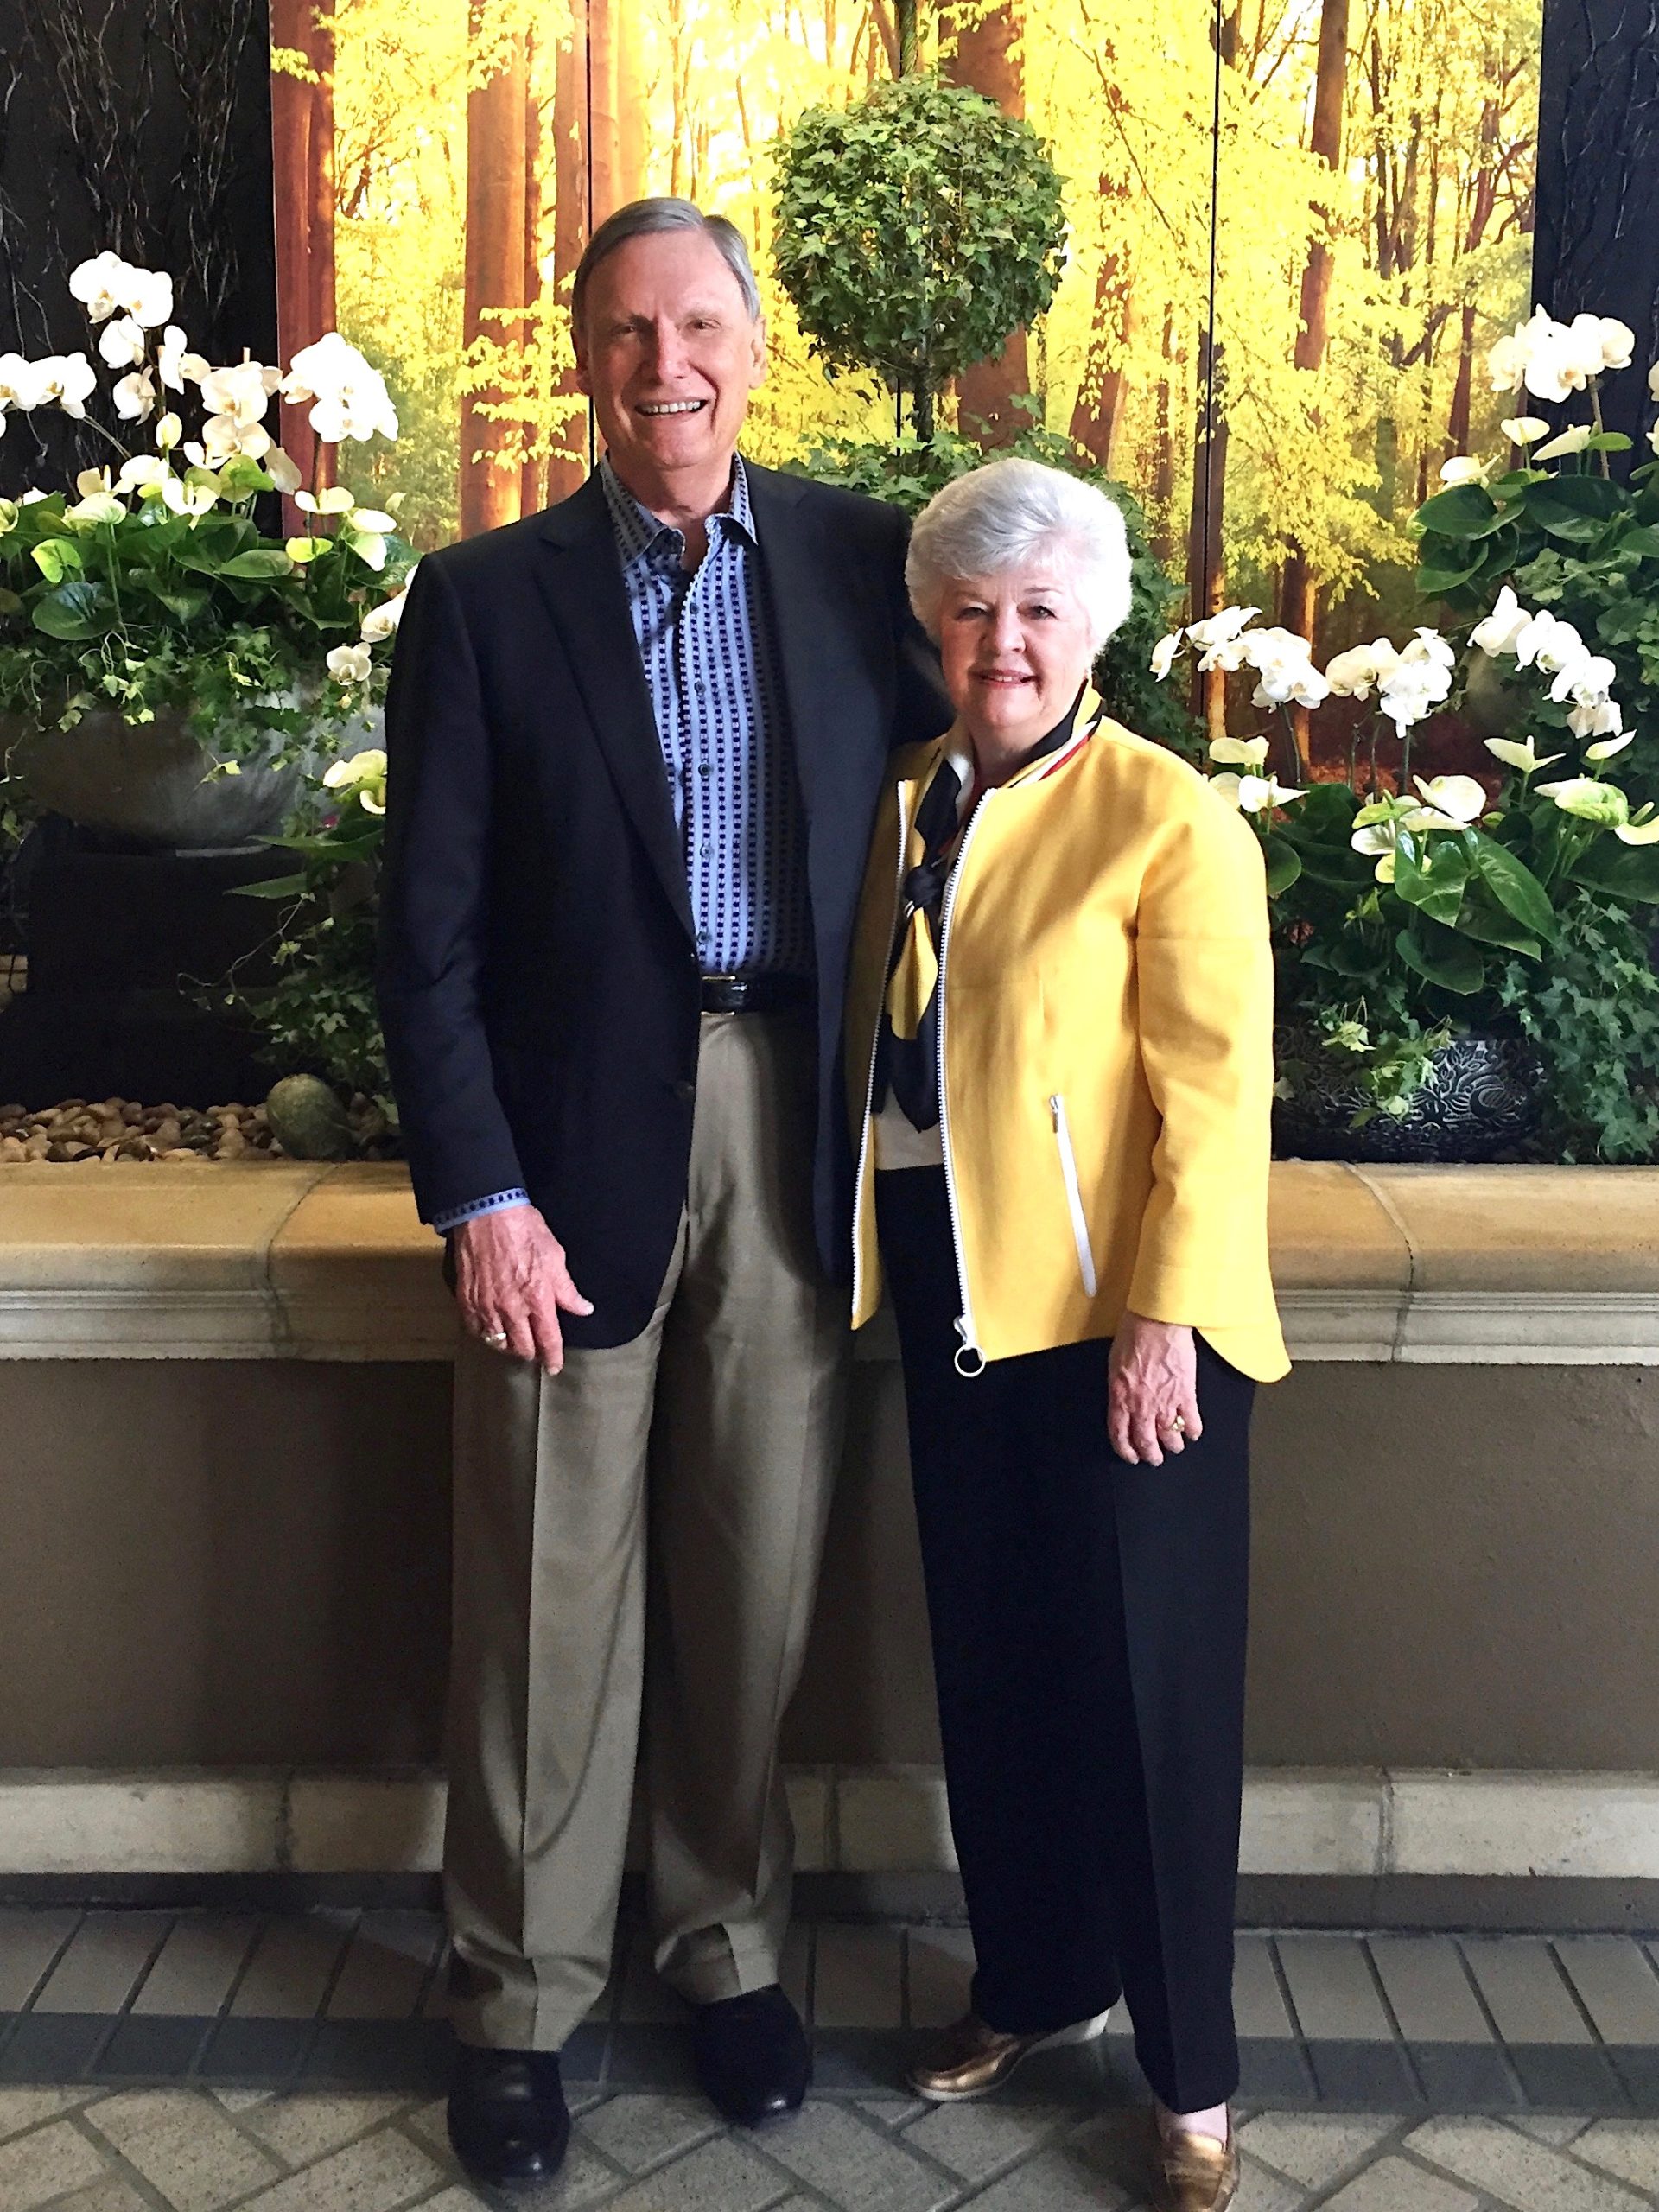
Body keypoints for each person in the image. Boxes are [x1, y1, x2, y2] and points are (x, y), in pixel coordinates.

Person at [377, 196, 948, 2192]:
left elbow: (1019, 712)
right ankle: (521, 1992)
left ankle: (725, 1941)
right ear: (581, 358)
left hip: (788, 1118)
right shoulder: (485, 599)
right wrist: (481, 1195)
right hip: (565, 1152)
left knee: (755, 1561)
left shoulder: (867, 566)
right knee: (545, 1590)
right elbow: (424, 941)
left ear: (756, 342)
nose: (667, 365)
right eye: (627, 332)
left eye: (699, 323)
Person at [843, 458, 1288, 2212]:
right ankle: (1032, 1979)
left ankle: (1193, 2075)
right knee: (1004, 1671)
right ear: (929, 628)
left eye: (1036, 610)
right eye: (969, 608)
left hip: (1126, 1324)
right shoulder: (902, 802)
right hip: (957, 1307)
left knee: (1151, 1706)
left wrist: (1162, 1311)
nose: (1000, 641)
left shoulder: (1167, 815)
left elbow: (1212, 1091)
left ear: (1094, 627)